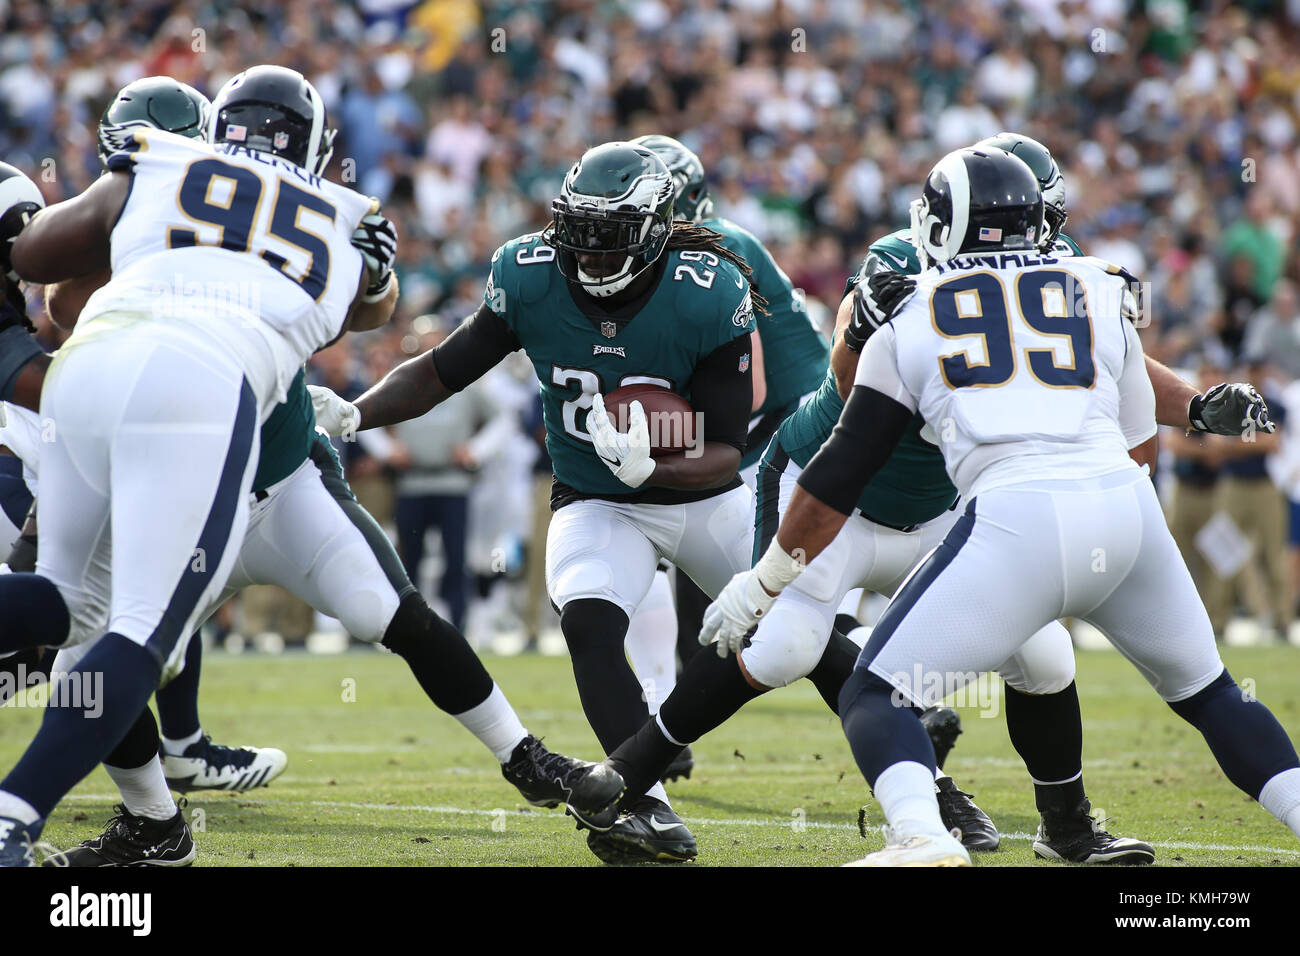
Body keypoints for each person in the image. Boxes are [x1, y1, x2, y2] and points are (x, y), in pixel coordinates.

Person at [0, 66, 621, 868]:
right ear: (321, 149)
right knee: (128, 637)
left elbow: (42, 267)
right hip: (198, 424)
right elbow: (369, 305)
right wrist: (378, 270)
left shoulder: (156, 168)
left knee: (89, 613)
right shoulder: (337, 209)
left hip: (243, 461)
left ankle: (523, 753)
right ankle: (132, 819)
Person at [705, 145, 1299, 866]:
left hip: (1015, 517)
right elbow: (1139, 443)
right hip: (1123, 508)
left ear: (940, 224)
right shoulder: (1100, 284)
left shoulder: (912, 309)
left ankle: (922, 834)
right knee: (1212, 694)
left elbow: (839, 470)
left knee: (876, 694)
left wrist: (763, 580)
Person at [311, 141, 760, 860]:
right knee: (587, 620)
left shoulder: (707, 288)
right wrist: (358, 413)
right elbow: (443, 369)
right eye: (577, 229)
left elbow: (729, 445)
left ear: (651, 231)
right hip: (596, 497)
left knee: (801, 632)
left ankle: (918, 781)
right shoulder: (530, 275)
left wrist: (657, 469)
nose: (587, 251)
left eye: (607, 236)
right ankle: (641, 804)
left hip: (701, 496)